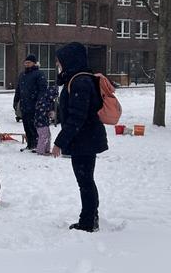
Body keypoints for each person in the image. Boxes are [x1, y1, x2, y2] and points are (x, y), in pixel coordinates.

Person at [51, 43, 109, 232]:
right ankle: (91, 216)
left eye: (60, 61)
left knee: (85, 181)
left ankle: (87, 222)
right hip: (85, 139)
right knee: (86, 180)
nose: (58, 64)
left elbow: (77, 116)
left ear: (70, 59)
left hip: (85, 140)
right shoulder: (77, 79)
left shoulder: (80, 81)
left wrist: (59, 142)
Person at [13, 54, 48, 152]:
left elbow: (43, 89)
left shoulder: (39, 74)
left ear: (34, 63)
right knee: (26, 125)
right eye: (25, 62)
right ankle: (30, 144)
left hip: (34, 105)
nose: (26, 64)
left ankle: (37, 144)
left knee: (34, 125)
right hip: (24, 104)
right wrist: (16, 101)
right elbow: (18, 89)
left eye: (29, 62)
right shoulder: (22, 75)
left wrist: (40, 101)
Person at [34, 84, 59, 156]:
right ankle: (40, 150)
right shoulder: (44, 102)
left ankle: (46, 149)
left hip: (44, 121)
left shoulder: (48, 101)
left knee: (48, 135)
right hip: (40, 122)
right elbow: (41, 112)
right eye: (54, 96)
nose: (54, 98)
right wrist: (50, 114)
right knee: (43, 136)